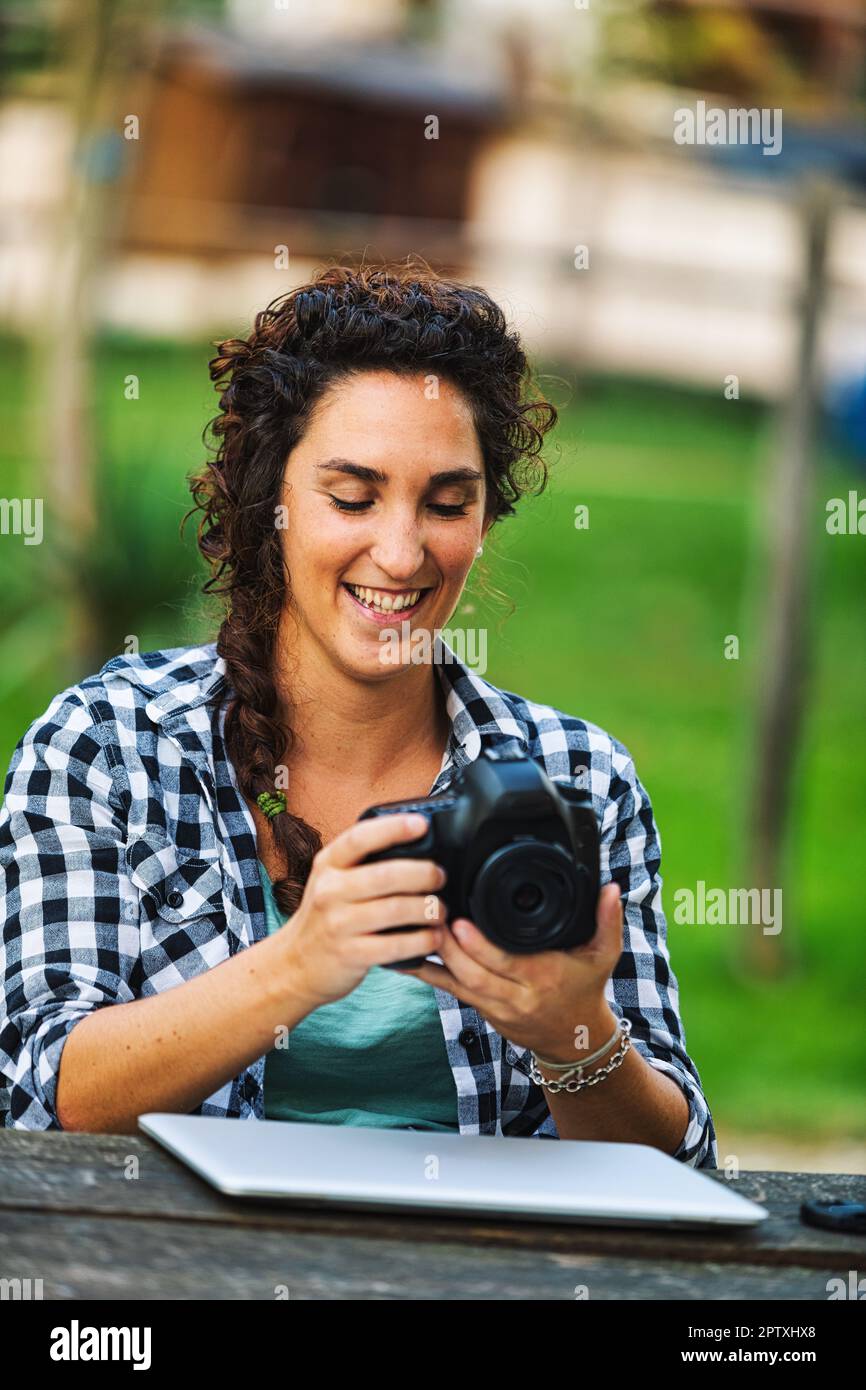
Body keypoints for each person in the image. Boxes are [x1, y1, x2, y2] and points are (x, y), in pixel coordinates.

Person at [0, 262, 717, 1166]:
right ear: (273, 503)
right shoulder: (108, 747)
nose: (403, 550)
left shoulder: (577, 777)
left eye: (448, 502)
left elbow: (678, 1164)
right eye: (353, 497)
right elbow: (44, 1094)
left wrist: (572, 1033)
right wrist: (298, 965)